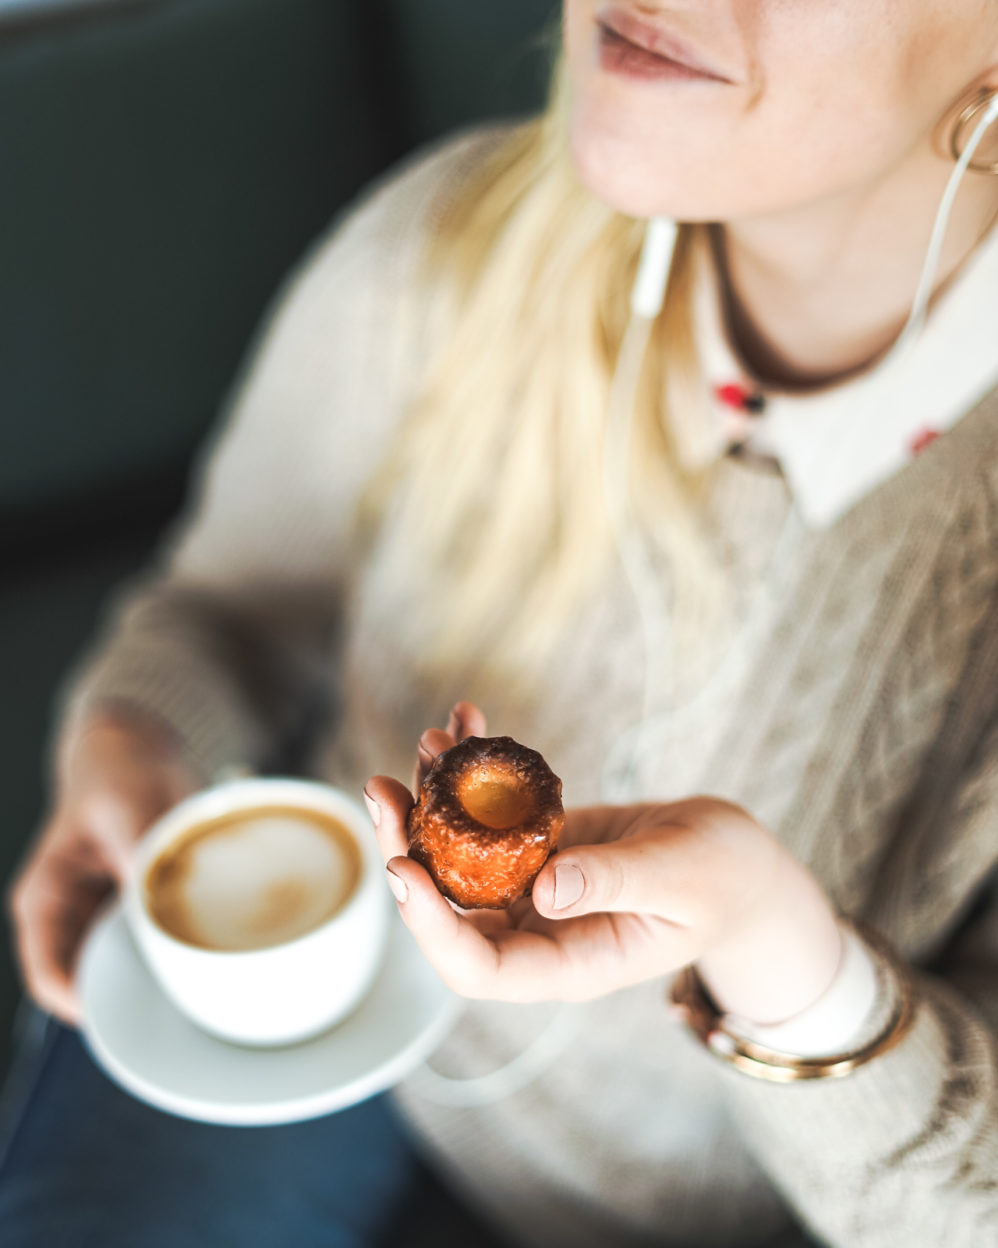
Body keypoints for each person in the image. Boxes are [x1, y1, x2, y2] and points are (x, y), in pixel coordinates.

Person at [3, 2, 998, 1244]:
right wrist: (138, 731)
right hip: (319, 982)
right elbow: (225, 606)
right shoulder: (440, 248)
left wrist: (785, 957)